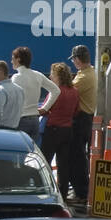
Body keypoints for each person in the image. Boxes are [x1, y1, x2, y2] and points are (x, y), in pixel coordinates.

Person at [38, 63, 80, 199]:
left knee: (45, 162)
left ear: (58, 77)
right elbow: (76, 111)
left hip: (52, 130)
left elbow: (44, 110)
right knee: (63, 165)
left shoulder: (55, 92)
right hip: (67, 130)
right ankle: (63, 194)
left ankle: (47, 191)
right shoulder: (74, 91)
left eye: (52, 75)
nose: (50, 77)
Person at [10, 45, 60, 145]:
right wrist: (45, 108)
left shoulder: (16, 78)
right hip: (35, 120)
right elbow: (56, 90)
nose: (11, 61)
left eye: (13, 58)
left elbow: (12, 99)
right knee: (33, 153)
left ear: (18, 59)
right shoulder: (38, 75)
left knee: (19, 153)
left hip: (21, 120)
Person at [68, 44, 97, 205]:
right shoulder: (89, 73)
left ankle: (81, 192)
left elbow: (68, 90)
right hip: (86, 119)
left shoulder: (84, 77)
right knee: (79, 156)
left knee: (77, 157)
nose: (73, 62)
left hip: (81, 120)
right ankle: (80, 190)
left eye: (73, 59)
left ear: (77, 60)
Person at [0, 60, 24, 130]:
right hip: (16, 128)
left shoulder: (0, 90)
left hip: (2, 129)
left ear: (0, 72)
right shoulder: (19, 89)